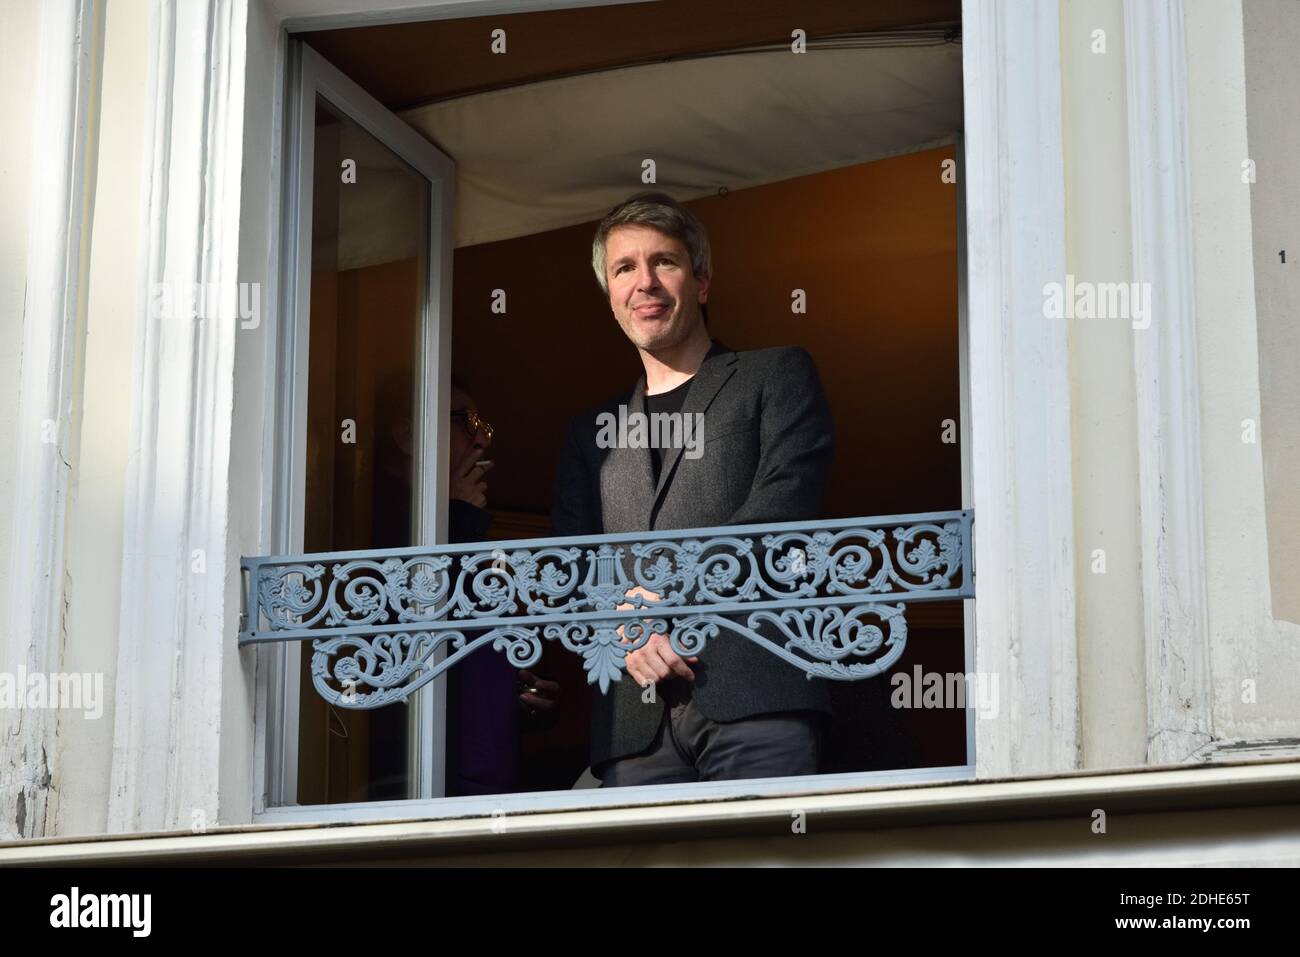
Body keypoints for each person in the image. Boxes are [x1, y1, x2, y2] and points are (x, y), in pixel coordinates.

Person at [550, 191, 835, 787]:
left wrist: (667, 594)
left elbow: (785, 502)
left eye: (665, 262)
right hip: (633, 715)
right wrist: (625, 629)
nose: (645, 282)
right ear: (611, 298)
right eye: (624, 268)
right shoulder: (588, 430)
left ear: (701, 282)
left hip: (755, 691)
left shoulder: (775, 373)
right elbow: (570, 562)